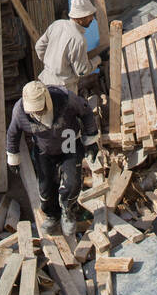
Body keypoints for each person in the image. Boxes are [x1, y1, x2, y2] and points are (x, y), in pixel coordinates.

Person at [6, 79, 99, 238]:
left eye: (40, 110)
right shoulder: (20, 111)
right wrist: (13, 156)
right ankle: (52, 214)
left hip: (68, 141)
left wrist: (91, 140)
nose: (37, 114)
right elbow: (13, 134)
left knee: (72, 182)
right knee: (45, 187)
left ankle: (68, 211)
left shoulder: (66, 99)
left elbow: (86, 112)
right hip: (44, 148)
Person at [35, 0, 96, 93]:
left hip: (45, 81)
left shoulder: (57, 24)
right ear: (80, 18)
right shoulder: (79, 39)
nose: (92, 19)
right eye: (90, 16)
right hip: (65, 90)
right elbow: (81, 71)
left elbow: (39, 47)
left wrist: (51, 64)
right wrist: (98, 60)